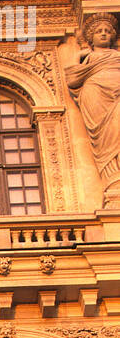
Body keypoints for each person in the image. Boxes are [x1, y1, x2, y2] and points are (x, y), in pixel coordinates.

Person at [65, 14, 120, 208]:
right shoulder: (86, 58)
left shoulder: (116, 55)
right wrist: (76, 56)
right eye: (99, 31)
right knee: (106, 138)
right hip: (95, 94)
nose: (103, 34)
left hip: (117, 93)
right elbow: (72, 78)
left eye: (107, 31)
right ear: (90, 37)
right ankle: (114, 185)